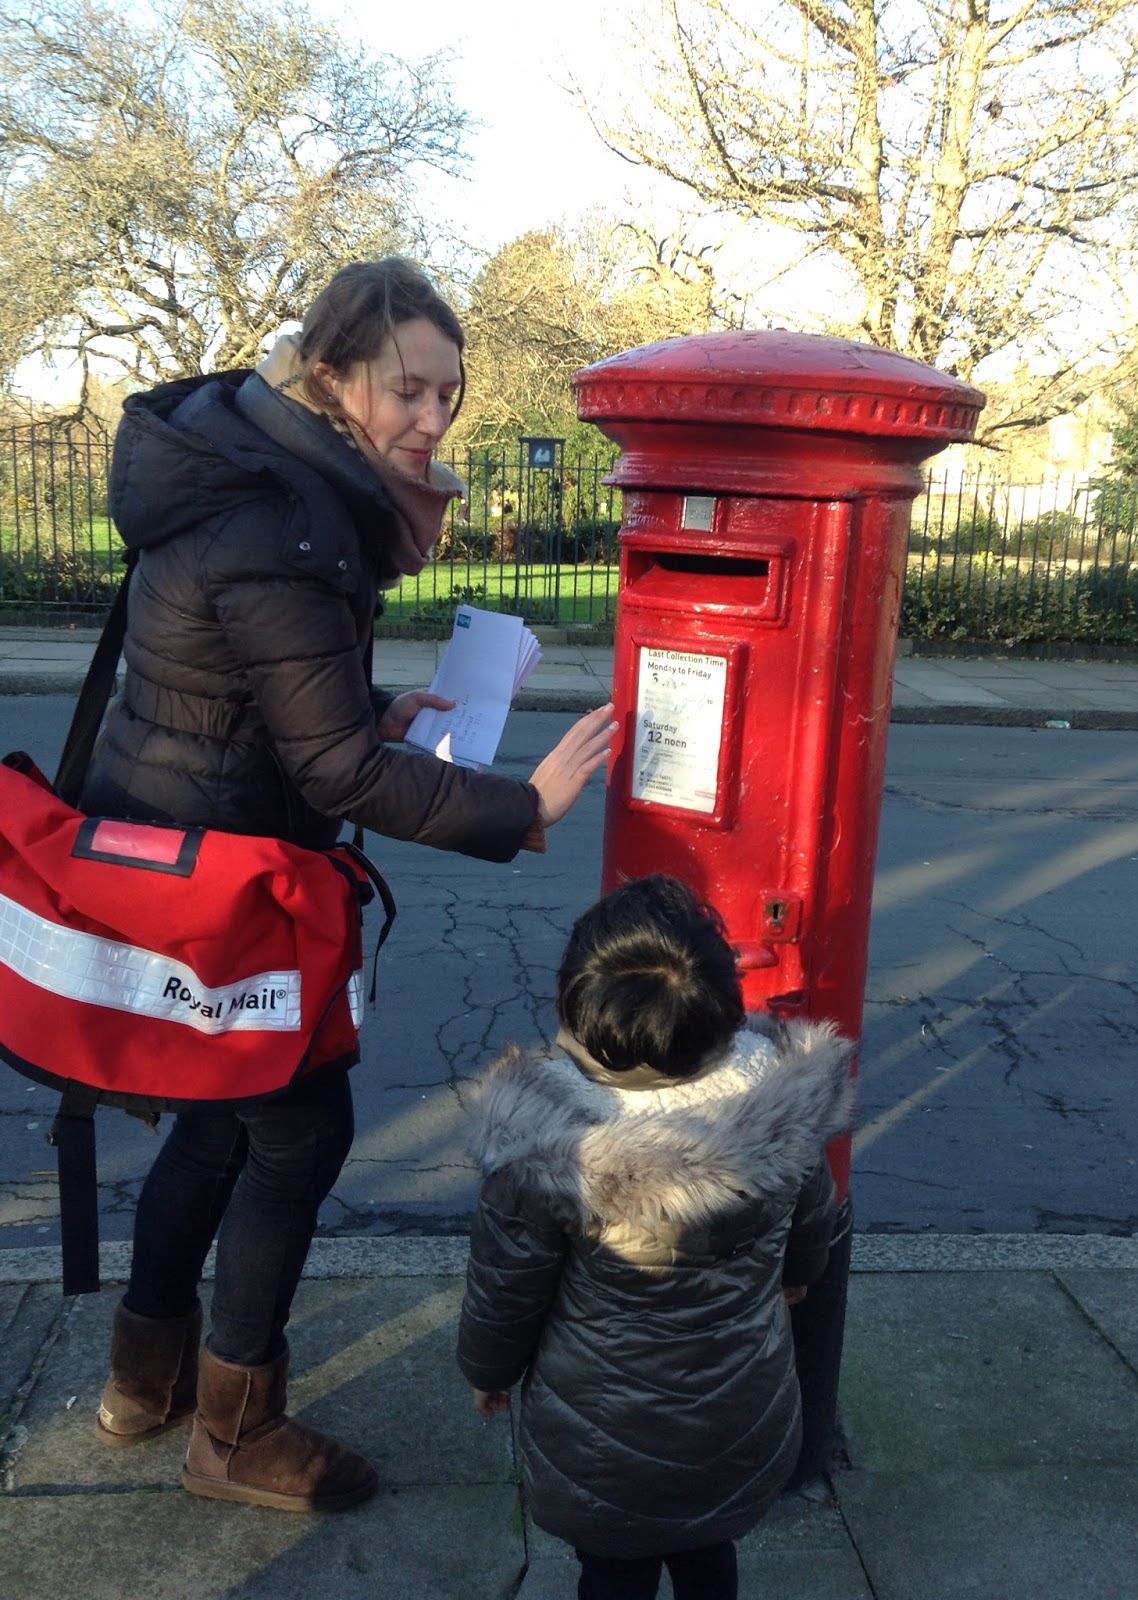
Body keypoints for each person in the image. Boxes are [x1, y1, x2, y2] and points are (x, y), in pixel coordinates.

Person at [83, 256, 616, 1514]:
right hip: (220, 874)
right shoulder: (292, 517)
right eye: (409, 391)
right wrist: (519, 808)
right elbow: (333, 771)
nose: (432, 423)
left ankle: (139, 1379)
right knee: (296, 1126)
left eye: (450, 396)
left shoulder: (252, 468)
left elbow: (245, 686)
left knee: (223, 1119)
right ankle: (237, 1433)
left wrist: (375, 699)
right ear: (332, 376)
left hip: (172, 848)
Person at [456, 874, 854, 1600]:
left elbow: (505, 1291)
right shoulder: (782, 1114)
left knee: (612, 1569)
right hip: (740, 1405)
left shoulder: (546, 1156)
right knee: (709, 1551)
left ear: (576, 1002)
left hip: (601, 1430)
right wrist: (800, 1273)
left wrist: (486, 1372)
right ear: (725, 1004)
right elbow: (812, 1216)